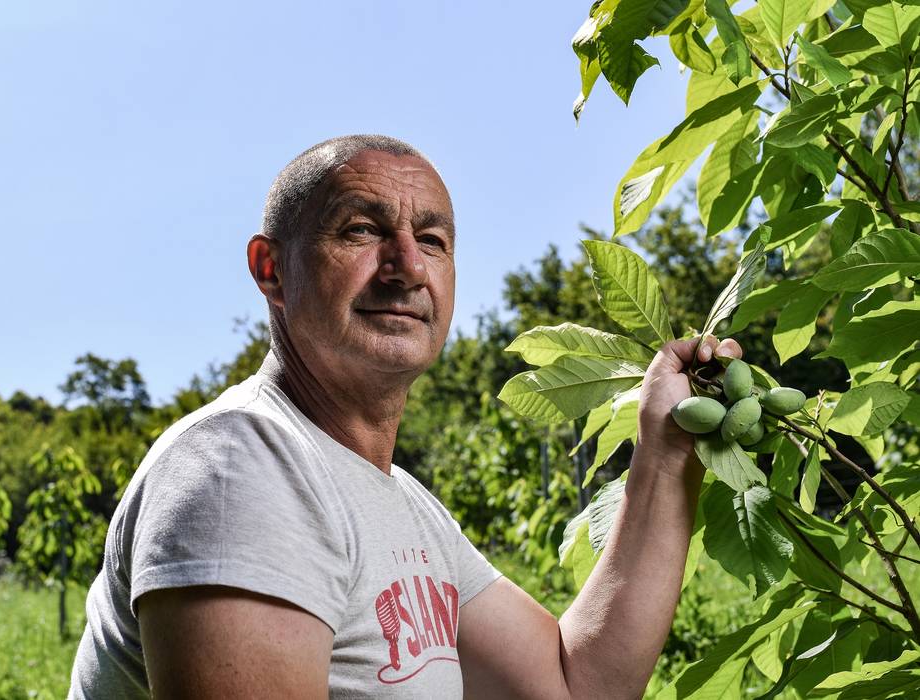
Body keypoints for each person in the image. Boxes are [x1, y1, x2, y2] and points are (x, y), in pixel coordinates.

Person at [67, 135, 741, 699]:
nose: (407, 266)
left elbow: (572, 685)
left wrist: (666, 448)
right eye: (360, 230)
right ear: (270, 269)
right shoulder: (240, 468)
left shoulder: (405, 506)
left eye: (432, 239)